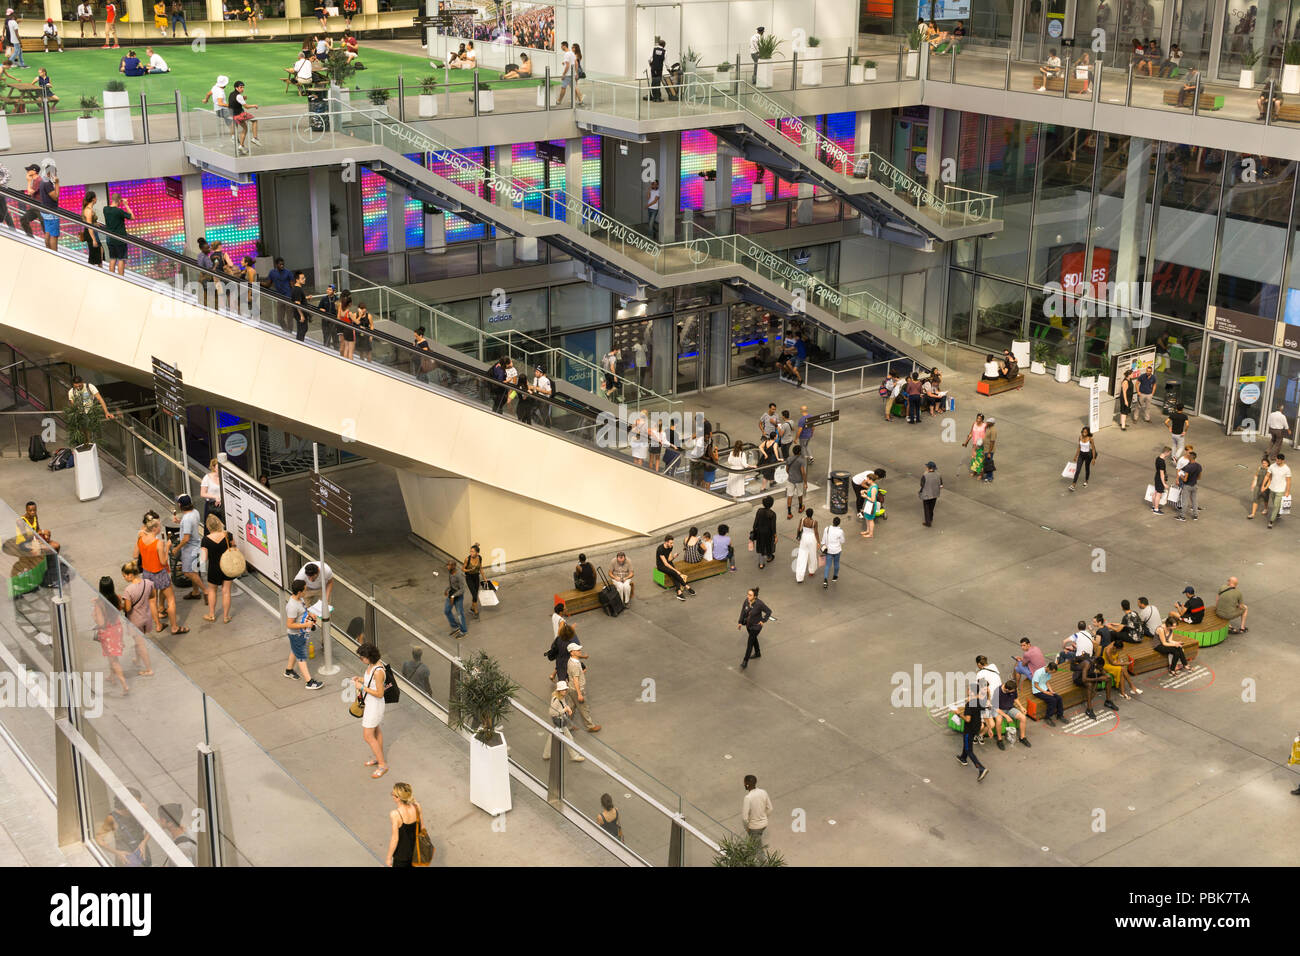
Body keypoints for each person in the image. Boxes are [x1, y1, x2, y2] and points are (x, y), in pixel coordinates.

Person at [353, 643, 389, 777]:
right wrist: (361, 679)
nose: (361, 659)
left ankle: (382, 765)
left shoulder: (379, 671)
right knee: (376, 731)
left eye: (362, 657)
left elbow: (380, 693)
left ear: (369, 657)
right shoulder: (372, 666)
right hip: (371, 704)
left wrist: (361, 687)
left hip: (375, 706)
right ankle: (379, 758)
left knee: (368, 736)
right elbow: (370, 681)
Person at [283, 579, 324, 688]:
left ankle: (289, 670)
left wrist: (311, 614)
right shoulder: (292, 606)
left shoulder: (300, 599)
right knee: (301, 656)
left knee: (294, 650)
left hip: (300, 634)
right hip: (296, 634)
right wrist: (306, 625)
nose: (306, 591)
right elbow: (289, 624)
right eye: (305, 590)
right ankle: (309, 682)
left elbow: (304, 610)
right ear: (300, 592)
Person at [93, 577, 131, 695]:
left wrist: (95, 613)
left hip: (107, 632)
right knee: (112, 656)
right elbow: (119, 607)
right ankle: (112, 676)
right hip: (117, 629)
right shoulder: (117, 598)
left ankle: (124, 685)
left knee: (114, 659)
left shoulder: (99, 604)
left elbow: (100, 623)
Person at [118, 562, 157, 675]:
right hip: (146, 617)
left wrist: (122, 603)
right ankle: (138, 659)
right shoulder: (149, 583)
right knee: (138, 641)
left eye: (124, 575)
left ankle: (149, 669)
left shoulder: (128, 590)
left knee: (141, 644)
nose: (124, 578)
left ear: (130, 575)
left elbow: (128, 608)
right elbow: (152, 596)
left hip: (135, 620)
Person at [200, 515, 235, 624]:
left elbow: (204, 559)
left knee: (212, 591)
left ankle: (211, 615)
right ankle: (225, 617)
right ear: (219, 523)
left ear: (208, 526)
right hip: (227, 567)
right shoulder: (228, 535)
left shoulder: (205, 540)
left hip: (214, 568)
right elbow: (234, 548)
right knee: (226, 592)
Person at [171, 494, 204, 606]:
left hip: (189, 548)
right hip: (196, 545)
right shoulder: (195, 512)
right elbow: (191, 525)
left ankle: (205, 591)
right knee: (193, 570)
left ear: (180, 505)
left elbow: (186, 538)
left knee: (187, 571)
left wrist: (176, 548)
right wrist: (179, 522)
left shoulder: (187, 519)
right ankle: (195, 592)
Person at [953, 682, 989, 780]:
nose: (967, 690)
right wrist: (988, 727)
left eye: (968, 689)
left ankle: (980, 768)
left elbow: (968, 719)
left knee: (969, 749)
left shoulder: (970, 704)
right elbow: (984, 715)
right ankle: (963, 758)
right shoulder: (981, 701)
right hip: (977, 726)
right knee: (967, 743)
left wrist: (958, 714)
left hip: (969, 729)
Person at [543, 681, 586, 762]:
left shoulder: (561, 697)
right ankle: (574, 756)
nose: (565, 691)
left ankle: (546, 754)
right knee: (569, 738)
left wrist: (567, 708)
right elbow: (552, 713)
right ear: (559, 691)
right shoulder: (556, 700)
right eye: (563, 690)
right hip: (560, 721)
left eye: (565, 689)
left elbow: (563, 705)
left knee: (551, 737)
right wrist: (564, 710)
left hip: (559, 721)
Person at [565, 642, 600, 732]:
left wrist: (583, 657)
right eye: (577, 650)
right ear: (572, 652)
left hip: (571, 688)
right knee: (584, 708)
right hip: (577, 690)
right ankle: (590, 726)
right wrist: (579, 694)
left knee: (571, 708)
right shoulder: (575, 665)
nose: (580, 651)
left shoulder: (572, 660)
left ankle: (566, 725)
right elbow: (576, 680)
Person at [386, 782, 423, 866]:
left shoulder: (395, 814)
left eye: (393, 794)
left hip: (402, 855)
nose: (392, 796)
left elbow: (395, 839)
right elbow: (422, 827)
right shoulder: (417, 806)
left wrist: (388, 858)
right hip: (415, 851)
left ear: (398, 798)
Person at [101, 193, 133, 276]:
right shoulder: (119, 211)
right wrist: (126, 205)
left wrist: (117, 200)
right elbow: (132, 217)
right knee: (121, 259)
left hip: (110, 238)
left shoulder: (105, 209)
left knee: (112, 259)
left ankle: (112, 277)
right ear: (119, 201)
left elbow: (111, 206)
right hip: (120, 239)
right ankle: (121, 278)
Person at [655, 534, 693, 601]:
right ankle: (686, 586)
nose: (672, 544)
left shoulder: (670, 547)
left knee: (674, 574)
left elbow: (669, 560)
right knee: (675, 572)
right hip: (661, 566)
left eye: (672, 543)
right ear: (666, 542)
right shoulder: (660, 549)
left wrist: (673, 557)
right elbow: (665, 564)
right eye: (671, 543)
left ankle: (679, 592)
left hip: (667, 563)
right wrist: (676, 570)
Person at [996, 679, 1031, 747]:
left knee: (1023, 718)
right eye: (1012, 691)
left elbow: (1015, 698)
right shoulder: (997, 692)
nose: (1014, 691)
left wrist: (1021, 707)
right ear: (1006, 689)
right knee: (998, 720)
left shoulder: (1013, 688)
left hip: (1010, 708)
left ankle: (1022, 737)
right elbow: (995, 708)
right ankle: (999, 740)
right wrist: (1006, 716)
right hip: (1000, 709)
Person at [229, 80, 260, 155]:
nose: (242, 89)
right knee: (255, 120)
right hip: (240, 115)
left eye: (243, 87)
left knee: (245, 128)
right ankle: (255, 138)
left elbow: (235, 101)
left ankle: (241, 146)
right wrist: (254, 105)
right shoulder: (239, 96)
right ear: (236, 87)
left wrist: (243, 98)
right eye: (241, 87)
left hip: (234, 116)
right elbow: (246, 107)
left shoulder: (231, 94)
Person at [742, 774, 772, 840]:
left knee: (756, 848)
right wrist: (763, 818)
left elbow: (744, 818)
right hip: (764, 824)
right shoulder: (763, 792)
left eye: (744, 782)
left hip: (754, 827)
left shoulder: (748, 798)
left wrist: (747, 828)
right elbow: (770, 808)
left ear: (747, 784)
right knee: (757, 844)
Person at [1265, 452, 1292, 528]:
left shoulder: (1287, 469)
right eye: (1276, 460)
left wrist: (1287, 491)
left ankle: (1271, 521)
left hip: (1280, 490)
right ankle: (1278, 512)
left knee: (1276, 505)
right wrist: (1264, 485)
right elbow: (1267, 475)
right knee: (1275, 503)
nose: (1277, 462)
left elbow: (1288, 481)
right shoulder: (1272, 466)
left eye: (1278, 461)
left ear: (1283, 460)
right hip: (1272, 488)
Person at [792, 507, 818, 584]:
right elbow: (816, 533)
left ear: (806, 513)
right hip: (812, 539)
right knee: (812, 555)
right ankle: (811, 571)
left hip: (804, 538)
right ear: (812, 514)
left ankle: (799, 577)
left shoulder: (802, 520)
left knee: (802, 557)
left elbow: (798, 529)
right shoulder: (814, 522)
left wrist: (798, 536)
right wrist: (819, 542)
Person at [751, 495, 777, 569]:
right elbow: (773, 527)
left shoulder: (759, 511)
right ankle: (769, 557)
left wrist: (754, 530)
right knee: (769, 545)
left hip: (760, 532)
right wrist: (775, 536)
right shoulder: (773, 514)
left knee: (761, 547)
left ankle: (761, 564)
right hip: (768, 533)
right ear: (771, 504)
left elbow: (755, 522)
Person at [1174, 450, 1201, 521]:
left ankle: (1182, 516)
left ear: (1190, 458)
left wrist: (1180, 475)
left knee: (1185, 502)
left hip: (1187, 486)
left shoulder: (1188, 467)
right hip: (1194, 485)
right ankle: (1195, 515)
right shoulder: (1199, 466)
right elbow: (1199, 477)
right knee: (1194, 501)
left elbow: (1185, 479)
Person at [444, 559, 468, 638]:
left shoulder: (459, 575)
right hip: (451, 594)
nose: (447, 567)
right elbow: (452, 584)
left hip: (458, 596)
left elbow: (462, 589)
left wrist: (453, 596)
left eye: (449, 565)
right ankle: (455, 626)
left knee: (460, 614)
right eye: (447, 565)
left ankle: (463, 631)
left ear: (454, 566)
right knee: (447, 611)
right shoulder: (450, 572)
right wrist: (447, 589)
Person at [1070, 426, 1098, 490]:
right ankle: (1073, 485)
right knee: (1078, 470)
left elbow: (1093, 449)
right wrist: (1076, 456)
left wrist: (1093, 459)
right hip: (1081, 455)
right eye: (1083, 432)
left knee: (1087, 468)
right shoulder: (1080, 437)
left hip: (1088, 455)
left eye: (1085, 432)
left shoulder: (1090, 439)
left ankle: (1086, 481)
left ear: (1088, 432)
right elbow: (1079, 447)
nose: (1084, 433)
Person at [820, 516, 844, 588]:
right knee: (836, 563)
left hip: (829, 551)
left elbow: (823, 540)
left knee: (828, 565)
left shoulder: (827, 529)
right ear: (839, 523)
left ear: (833, 522)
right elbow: (842, 541)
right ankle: (835, 577)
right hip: (837, 550)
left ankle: (825, 579)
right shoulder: (840, 531)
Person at [784, 444, 807, 518]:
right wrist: (805, 482)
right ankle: (800, 508)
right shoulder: (801, 460)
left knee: (790, 495)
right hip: (799, 480)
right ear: (800, 452)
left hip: (790, 479)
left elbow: (786, 469)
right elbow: (803, 472)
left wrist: (790, 474)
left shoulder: (789, 459)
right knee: (800, 494)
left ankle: (789, 513)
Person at [962, 413, 987, 479]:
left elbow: (987, 435)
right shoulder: (974, 424)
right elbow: (971, 434)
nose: (978, 420)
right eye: (977, 418)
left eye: (980, 419)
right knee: (974, 458)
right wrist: (966, 442)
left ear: (982, 420)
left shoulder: (984, 425)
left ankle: (980, 474)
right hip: (974, 445)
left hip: (981, 445)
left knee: (980, 459)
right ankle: (975, 471)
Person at [1248, 453, 1272, 519]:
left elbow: (1270, 480)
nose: (1263, 464)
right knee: (1255, 499)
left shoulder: (1269, 470)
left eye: (1265, 463)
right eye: (1263, 463)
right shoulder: (1259, 468)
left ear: (1268, 463)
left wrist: (1265, 487)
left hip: (1265, 488)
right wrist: (1253, 483)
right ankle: (1252, 514)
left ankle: (1266, 509)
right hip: (1258, 486)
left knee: (1265, 499)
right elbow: (1256, 476)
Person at [919, 461, 941, 526]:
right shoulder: (938, 474)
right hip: (935, 494)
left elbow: (921, 484)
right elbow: (940, 483)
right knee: (931, 507)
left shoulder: (925, 475)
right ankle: (930, 518)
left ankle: (928, 522)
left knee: (926, 508)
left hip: (927, 494)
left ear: (929, 468)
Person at [1150, 446, 1171, 515]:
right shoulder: (1162, 462)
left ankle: (1154, 506)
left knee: (1155, 492)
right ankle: (1156, 509)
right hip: (1160, 478)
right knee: (1159, 494)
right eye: (1169, 453)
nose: (1169, 454)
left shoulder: (1158, 458)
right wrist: (1164, 483)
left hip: (1156, 477)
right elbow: (1162, 474)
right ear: (1166, 452)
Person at [648, 35, 666, 101]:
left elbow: (649, 59)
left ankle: (654, 96)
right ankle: (658, 97)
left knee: (653, 81)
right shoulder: (664, 51)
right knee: (658, 82)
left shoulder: (654, 49)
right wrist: (669, 69)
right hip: (659, 69)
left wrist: (651, 65)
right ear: (664, 45)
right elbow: (666, 62)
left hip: (653, 68)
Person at [981, 417, 998, 483]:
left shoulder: (993, 430)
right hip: (985, 448)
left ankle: (990, 477)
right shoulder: (988, 428)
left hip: (989, 450)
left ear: (992, 423)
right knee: (986, 462)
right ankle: (988, 475)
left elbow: (992, 442)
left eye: (988, 422)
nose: (986, 423)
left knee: (989, 463)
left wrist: (989, 452)